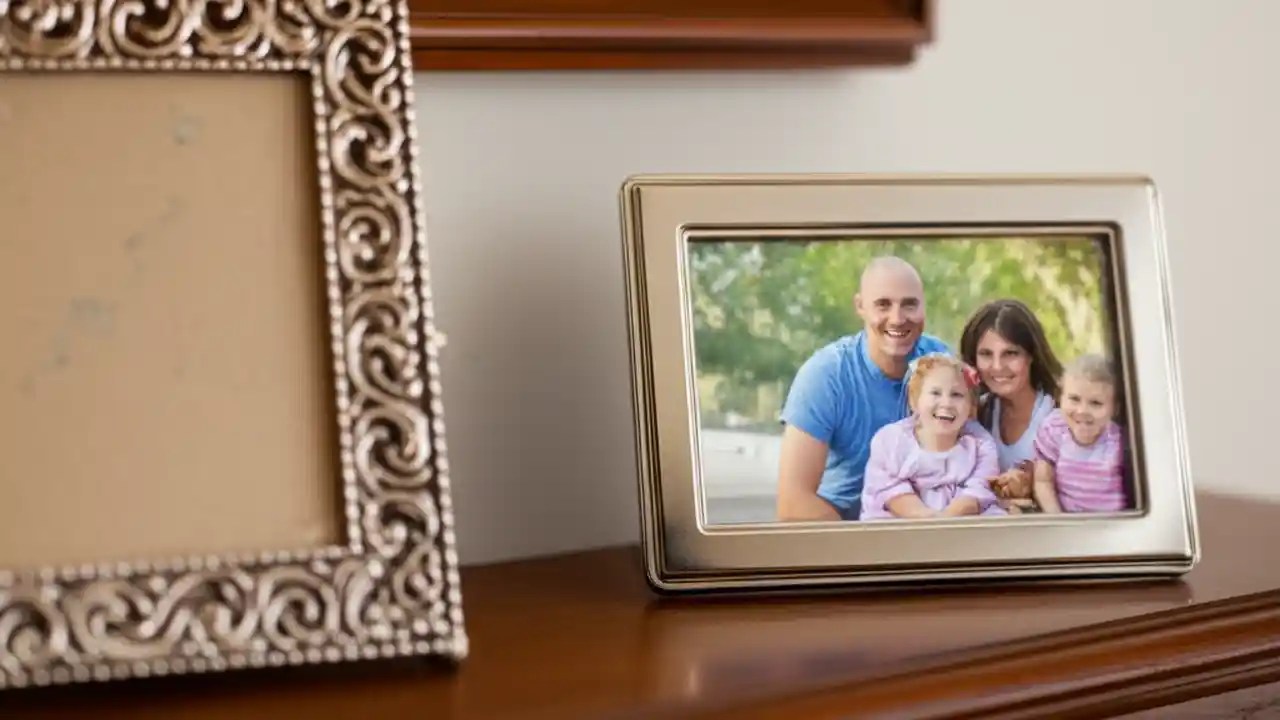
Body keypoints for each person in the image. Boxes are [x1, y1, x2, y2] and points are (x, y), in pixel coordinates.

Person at [776, 256, 951, 522]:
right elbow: (793, 504)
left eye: (909, 304)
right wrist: (869, 552)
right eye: (883, 304)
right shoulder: (826, 375)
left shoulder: (941, 361)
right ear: (860, 306)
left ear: (923, 306)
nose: (897, 318)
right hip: (844, 524)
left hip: (923, 521)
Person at [859, 353, 1006, 520]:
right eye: (935, 393)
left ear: (971, 407)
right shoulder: (890, 441)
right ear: (915, 401)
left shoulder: (980, 444)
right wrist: (930, 521)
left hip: (961, 524)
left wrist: (946, 520)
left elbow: (978, 490)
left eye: (957, 395)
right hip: (903, 525)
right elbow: (891, 491)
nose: (946, 403)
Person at [958, 299, 1064, 514]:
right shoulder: (976, 415)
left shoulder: (1061, 414)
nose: (997, 367)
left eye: (1010, 353)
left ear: (1031, 355)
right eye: (986, 354)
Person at [1031, 354, 1129, 513]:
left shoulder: (1119, 441)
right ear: (1060, 397)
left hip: (1111, 527)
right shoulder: (1053, 429)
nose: (1082, 411)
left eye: (1095, 403)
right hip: (1068, 524)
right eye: (1074, 399)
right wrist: (1057, 519)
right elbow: (1043, 481)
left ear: (1115, 409)